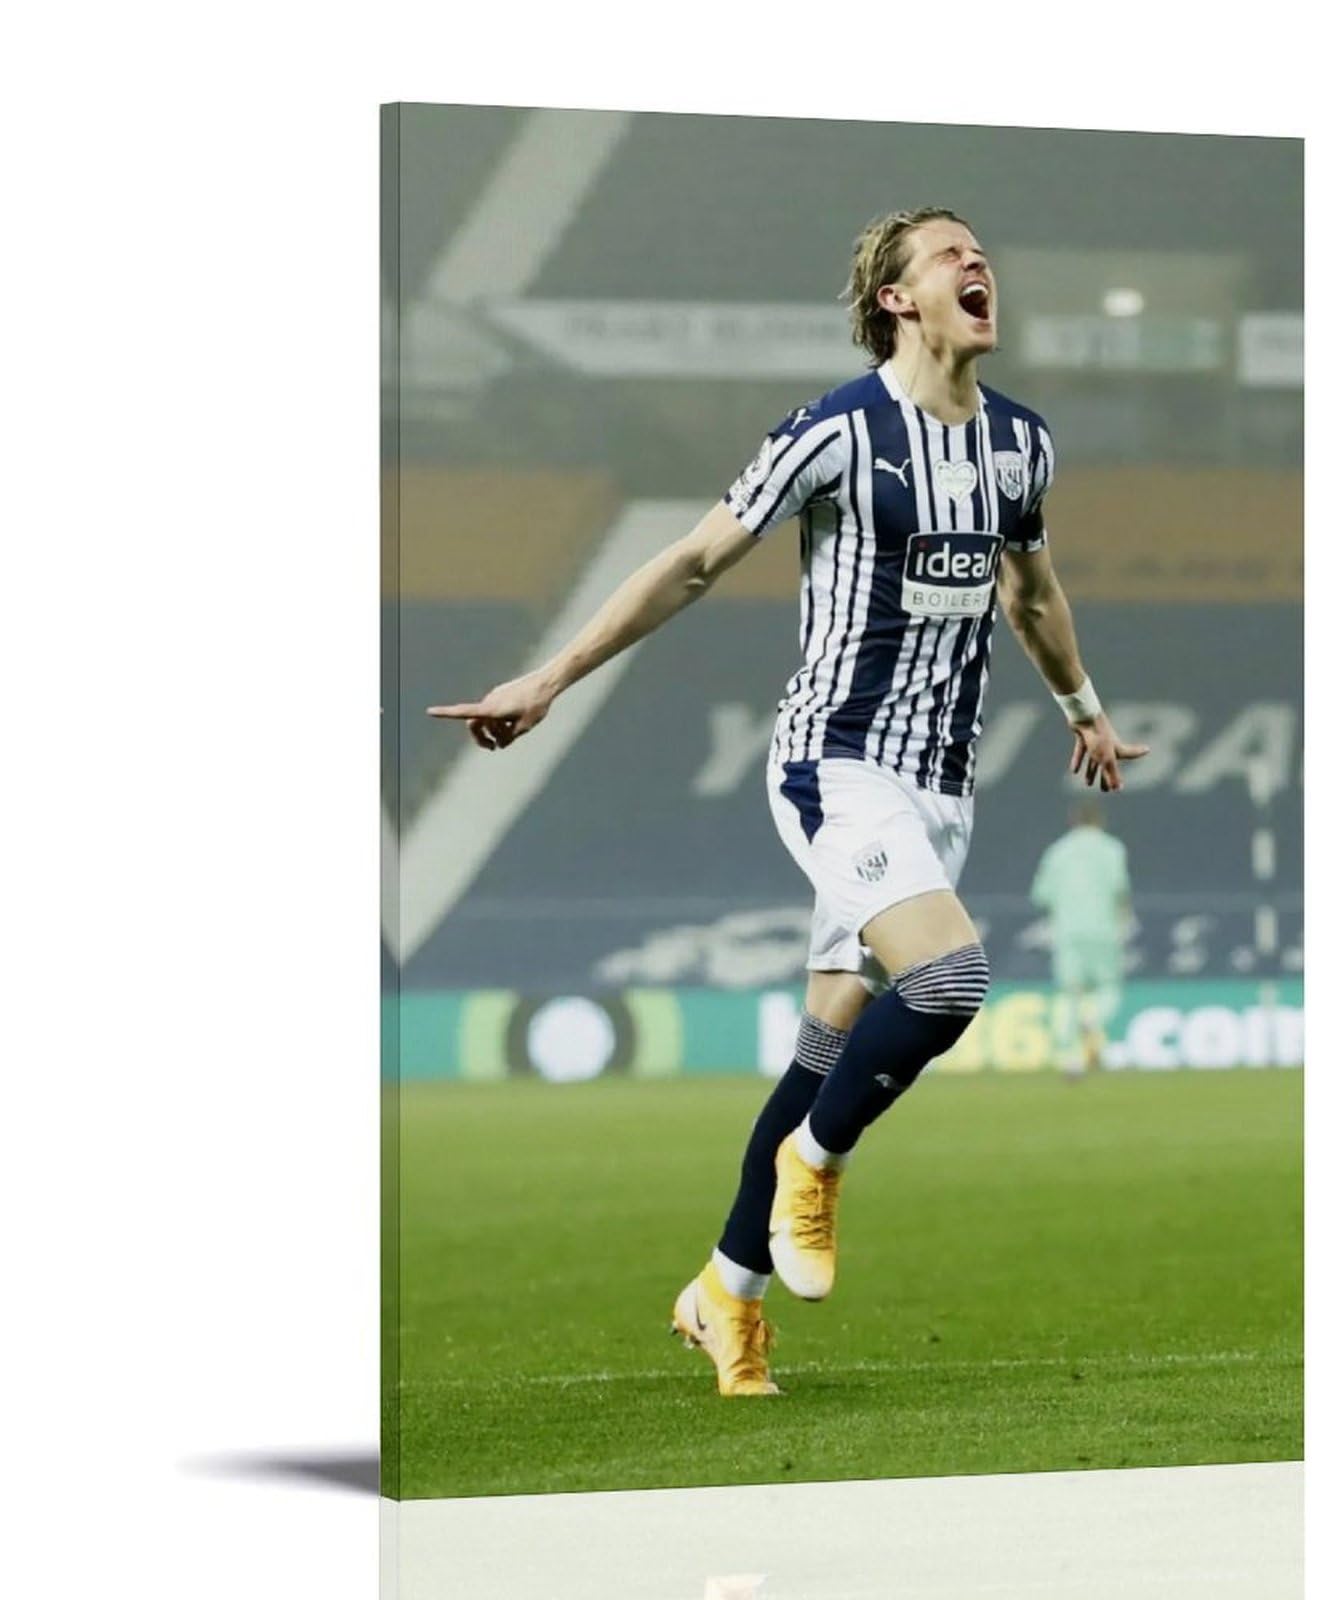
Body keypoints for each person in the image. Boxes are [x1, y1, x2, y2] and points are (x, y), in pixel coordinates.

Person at [429, 208, 1149, 1397]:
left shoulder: (1022, 444)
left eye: (981, 252)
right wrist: (549, 677)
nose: (977, 263)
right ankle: (813, 1165)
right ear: (895, 300)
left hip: (938, 788)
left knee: (825, 1044)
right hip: (835, 763)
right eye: (949, 254)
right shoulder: (834, 433)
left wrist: (1082, 707)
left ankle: (725, 1294)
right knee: (949, 982)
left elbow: (1030, 593)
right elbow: (692, 561)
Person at [1030, 800, 1132, 1074]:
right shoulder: (1112, 849)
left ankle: (1070, 1057)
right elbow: (1120, 889)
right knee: (1109, 988)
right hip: (1104, 929)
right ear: (1100, 820)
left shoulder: (1057, 852)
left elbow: (1040, 895)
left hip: (1067, 932)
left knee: (1069, 993)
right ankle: (1093, 1022)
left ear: (1073, 820)